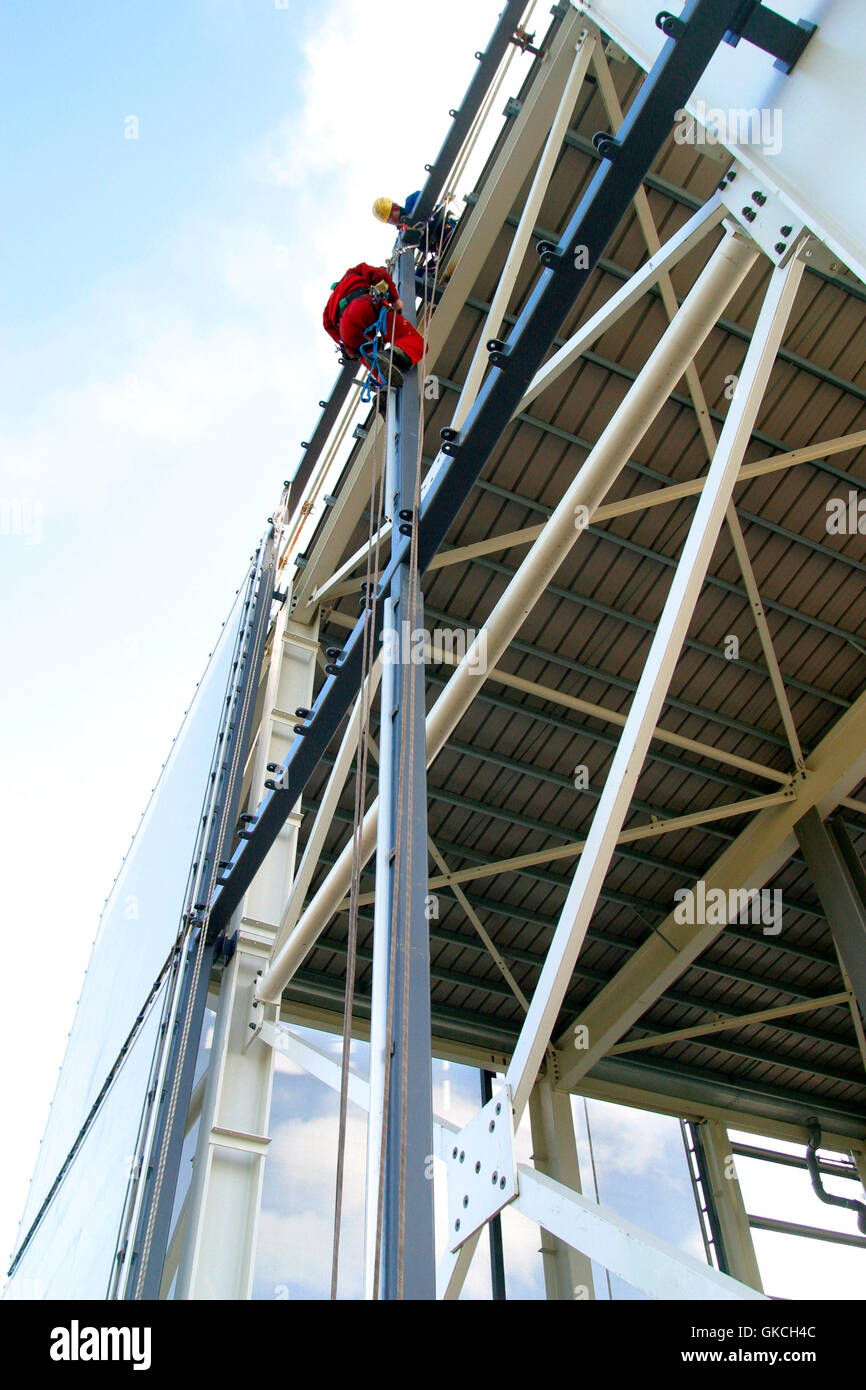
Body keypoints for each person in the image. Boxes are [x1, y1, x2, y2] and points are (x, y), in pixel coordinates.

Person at [323, 262, 424, 386]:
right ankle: (390, 356)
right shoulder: (355, 271)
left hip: (346, 332)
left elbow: (327, 325)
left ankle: (383, 392)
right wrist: (395, 300)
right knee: (413, 339)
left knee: (370, 357)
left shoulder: (330, 304)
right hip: (363, 306)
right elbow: (380, 275)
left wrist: (348, 348)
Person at [373, 192, 456, 264]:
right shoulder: (402, 235)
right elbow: (398, 247)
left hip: (447, 232)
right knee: (421, 274)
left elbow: (424, 197)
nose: (391, 220)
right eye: (388, 221)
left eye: (390, 215)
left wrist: (411, 217)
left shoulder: (411, 201)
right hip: (439, 250)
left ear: (395, 207)